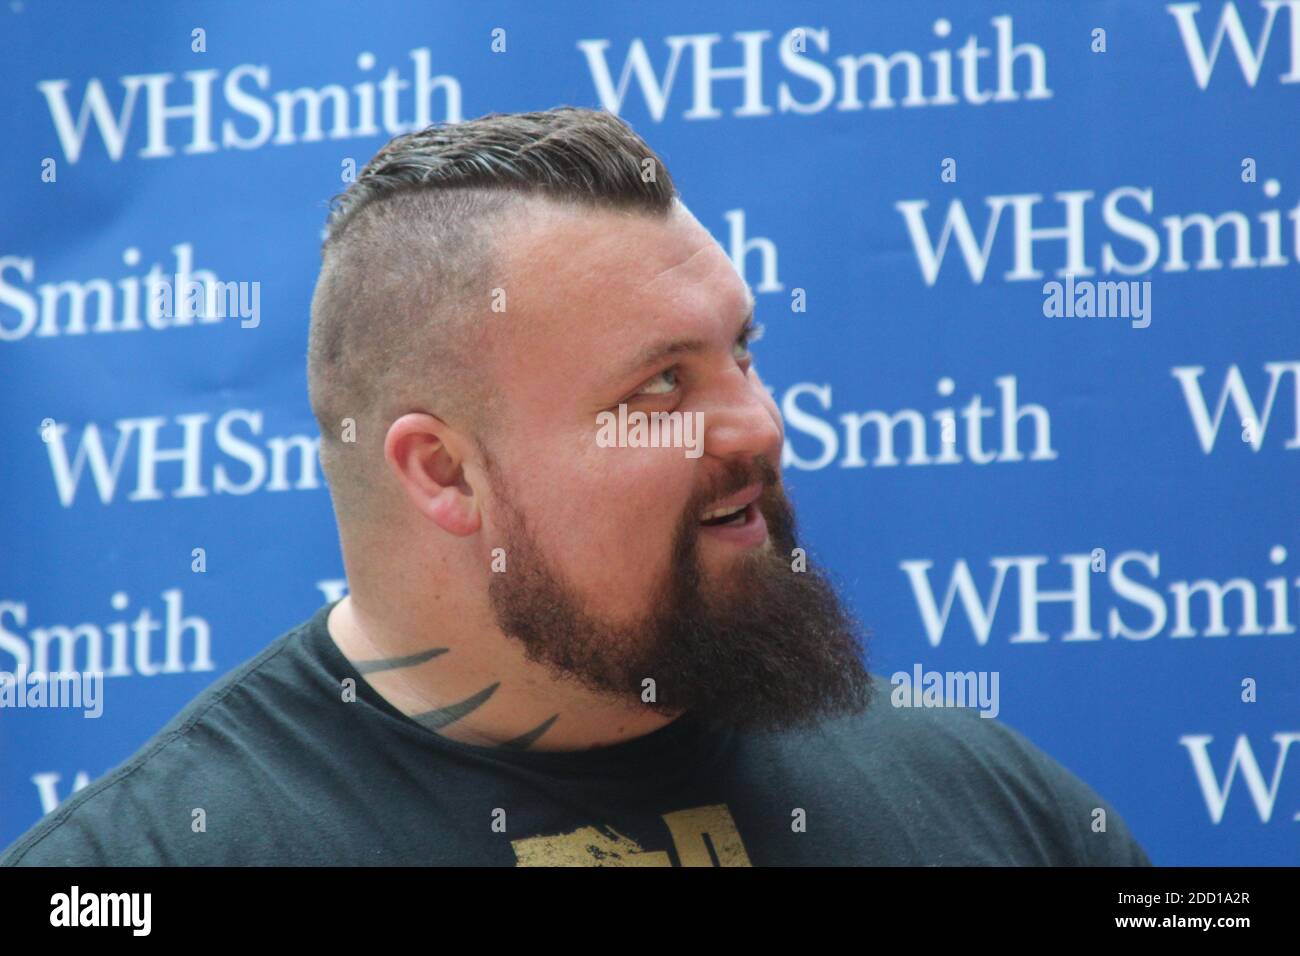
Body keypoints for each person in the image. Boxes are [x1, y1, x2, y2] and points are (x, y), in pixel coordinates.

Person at [1, 107, 1151, 866]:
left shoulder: (986, 804)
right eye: (660, 386)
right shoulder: (140, 868)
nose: (759, 424)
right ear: (444, 470)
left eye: (741, 353)